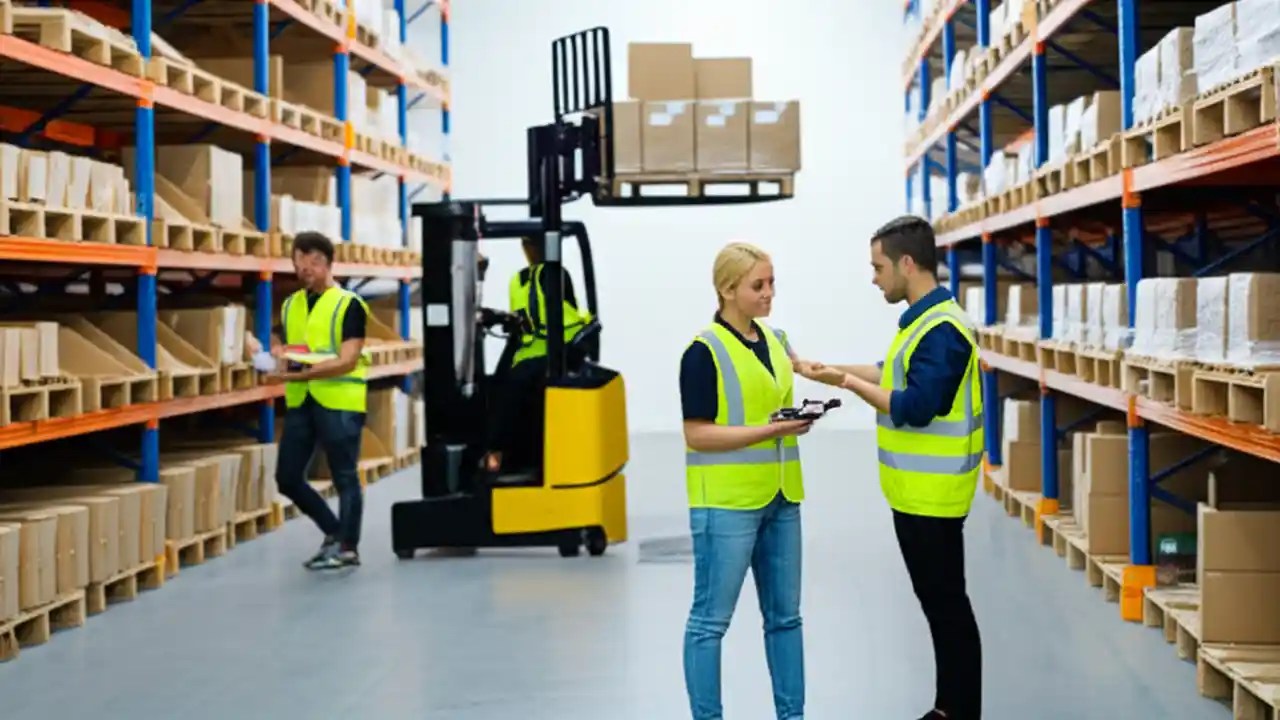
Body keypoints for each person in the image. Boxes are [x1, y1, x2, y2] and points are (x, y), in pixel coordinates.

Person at [800, 216, 983, 720]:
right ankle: (950, 707)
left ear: (907, 263)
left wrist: (847, 384)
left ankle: (959, 711)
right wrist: (826, 370)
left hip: (934, 495)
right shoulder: (923, 322)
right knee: (940, 605)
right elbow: (890, 373)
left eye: (878, 267)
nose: (874, 277)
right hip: (915, 492)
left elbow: (917, 405)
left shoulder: (945, 331)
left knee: (947, 608)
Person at [679, 241, 815, 720]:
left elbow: (785, 384)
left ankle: (792, 715)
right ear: (726, 290)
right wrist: (774, 429)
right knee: (710, 622)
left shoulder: (776, 341)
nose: (769, 293)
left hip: (782, 497)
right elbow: (698, 435)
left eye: (772, 282)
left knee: (785, 619)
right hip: (727, 504)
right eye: (758, 285)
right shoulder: (702, 353)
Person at [266, 231, 372, 570]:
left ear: (327, 263)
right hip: (302, 400)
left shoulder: (348, 304)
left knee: (344, 476)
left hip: (339, 398)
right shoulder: (291, 303)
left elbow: (348, 358)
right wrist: (275, 350)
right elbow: (281, 336)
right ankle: (333, 532)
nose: (305, 267)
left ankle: (347, 547)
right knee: (288, 477)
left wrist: (303, 374)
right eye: (300, 260)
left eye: (313, 261)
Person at [481, 236, 590, 474]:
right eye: (527, 244)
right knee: (492, 384)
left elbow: (557, 317)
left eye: (533, 244)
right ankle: (499, 453)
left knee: (514, 383)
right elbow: (528, 317)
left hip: (558, 352)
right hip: (530, 350)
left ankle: (497, 453)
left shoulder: (553, 274)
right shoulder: (520, 279)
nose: (530, 249)